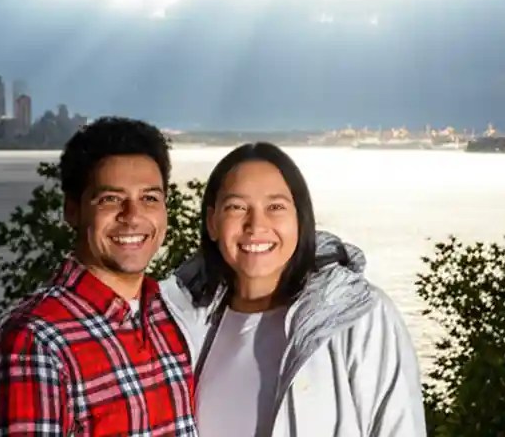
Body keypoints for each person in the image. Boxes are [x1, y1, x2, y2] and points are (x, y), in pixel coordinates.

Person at [160, 143, 426, 437]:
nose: (256, 225)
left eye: (275, 207)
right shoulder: (184, 323)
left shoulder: (356, 316)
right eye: (236, 207)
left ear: (300, 219)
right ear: (212, 223)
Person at [0, 117, 197, 436]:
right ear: (72, 210)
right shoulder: (32, 344)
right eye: (110, 199)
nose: (133, 216)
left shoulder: (173, 317)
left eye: (149, 198)